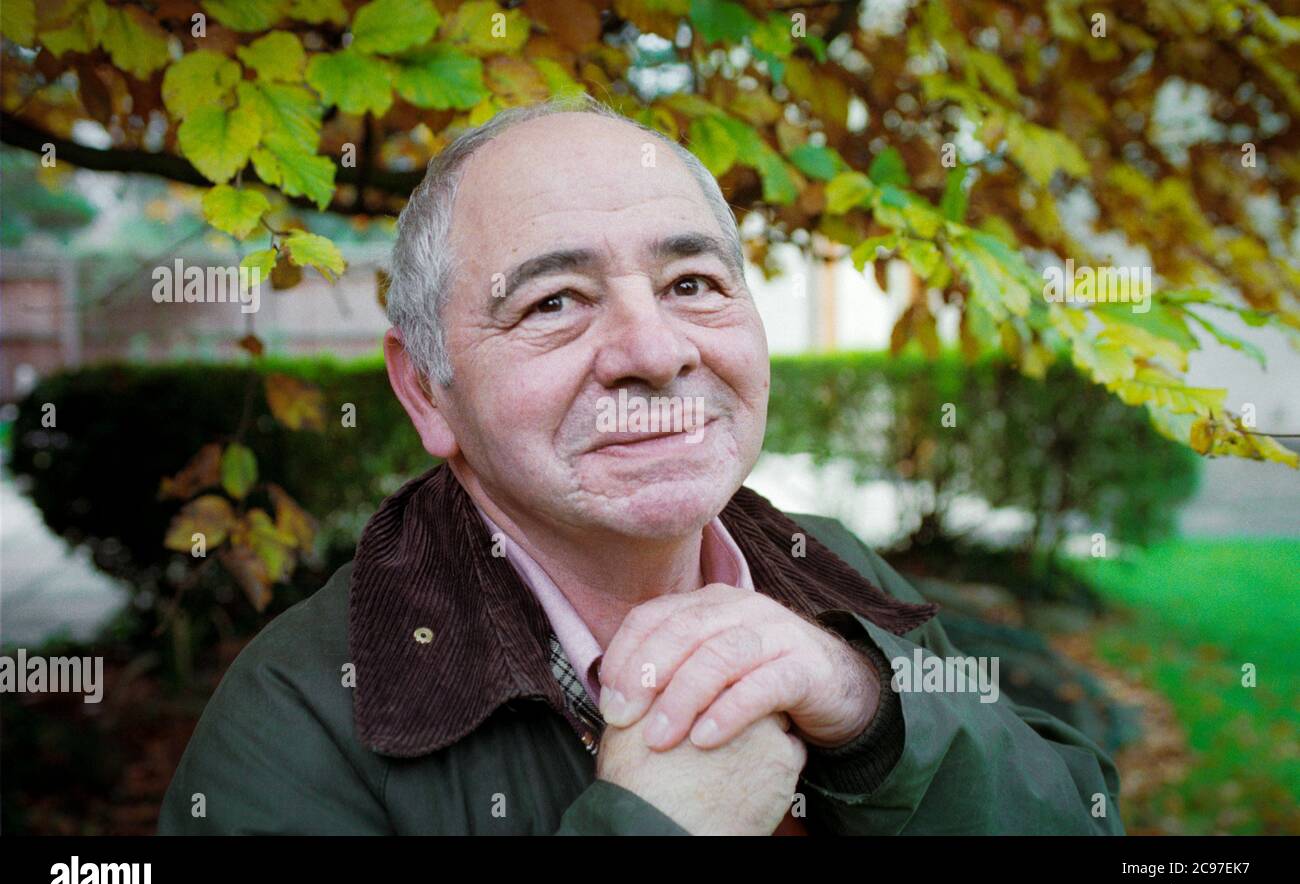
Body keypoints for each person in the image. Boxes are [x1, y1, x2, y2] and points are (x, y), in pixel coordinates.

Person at [158, 93, 1123, 836]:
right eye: (555, 302)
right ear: (426, 392)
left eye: (692, 283)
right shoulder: (300, 716)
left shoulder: (829, 565)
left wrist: (870, 715)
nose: (655, 351)